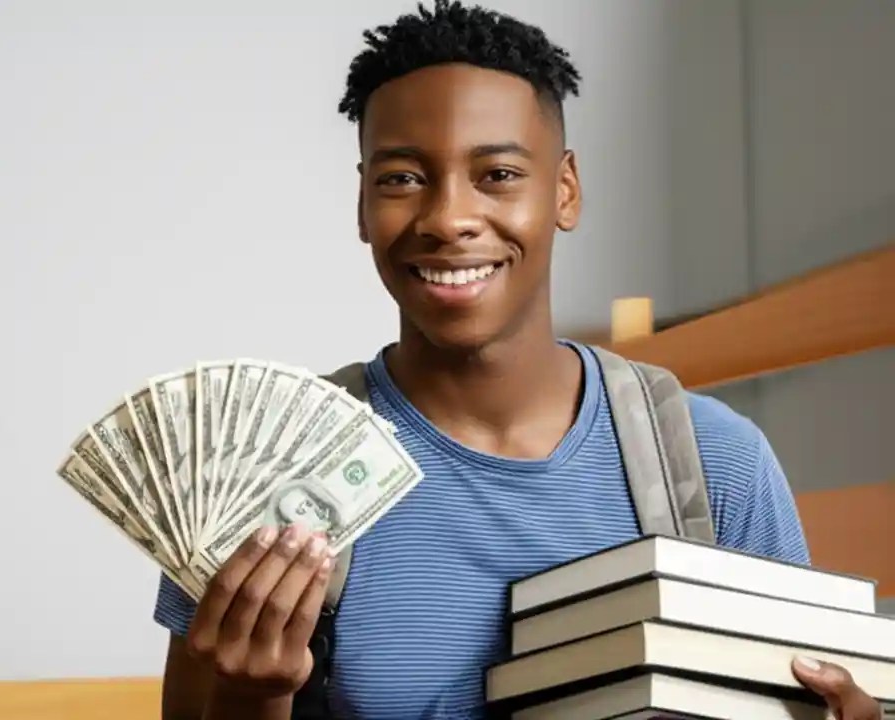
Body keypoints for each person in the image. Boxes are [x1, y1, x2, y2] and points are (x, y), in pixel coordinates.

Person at [151, 2, 885, 718]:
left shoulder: (714, 462)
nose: (447, 219)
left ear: (564, 189)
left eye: (497, 174)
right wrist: (253, 697)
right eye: (401, 178)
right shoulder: (272, 470)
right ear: (362, 203)